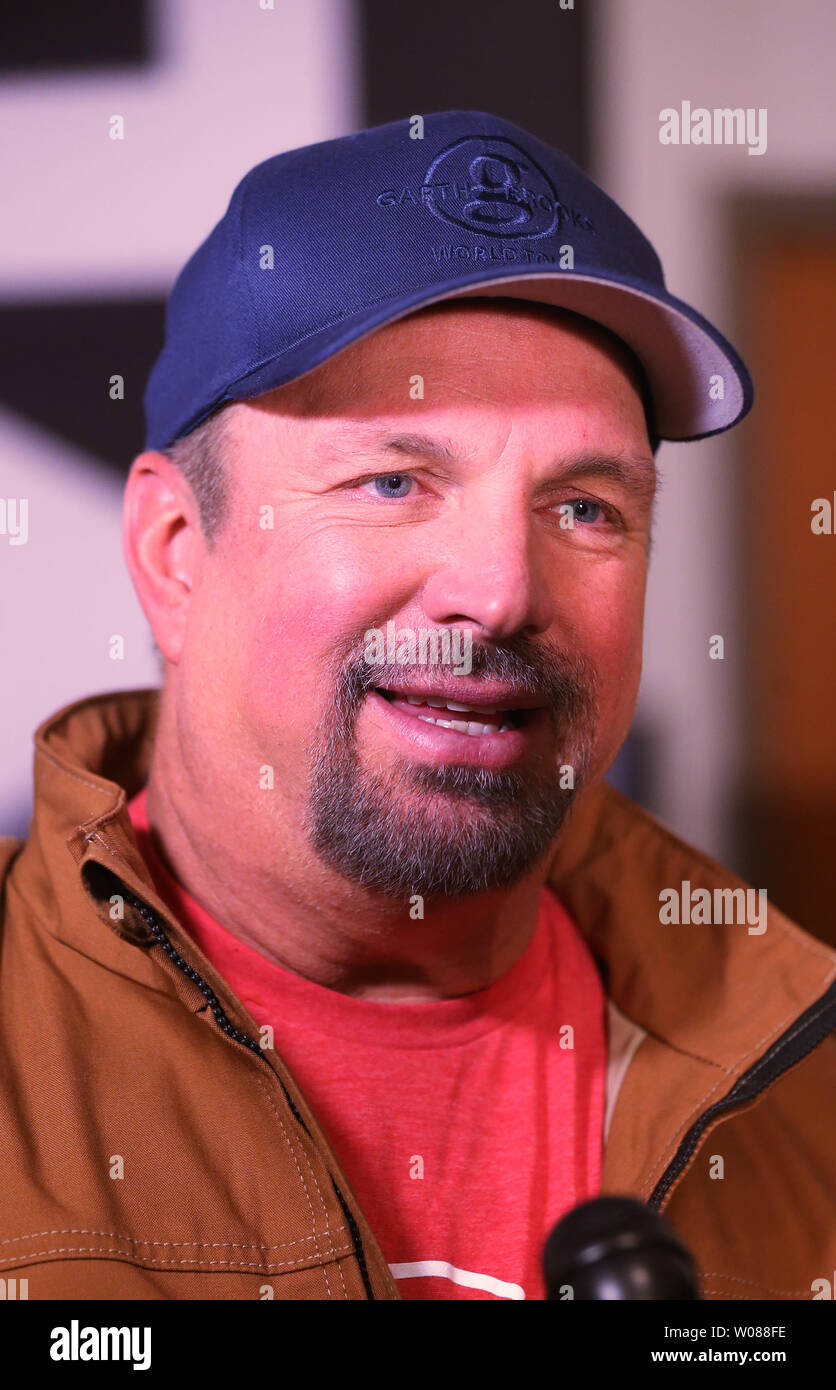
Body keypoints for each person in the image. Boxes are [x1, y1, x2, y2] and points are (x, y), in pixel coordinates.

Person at [2, 111, 834, 1302]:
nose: (498, 590)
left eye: (586, 508)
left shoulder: (803, 1089)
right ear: (177, 551)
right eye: (394, 481)